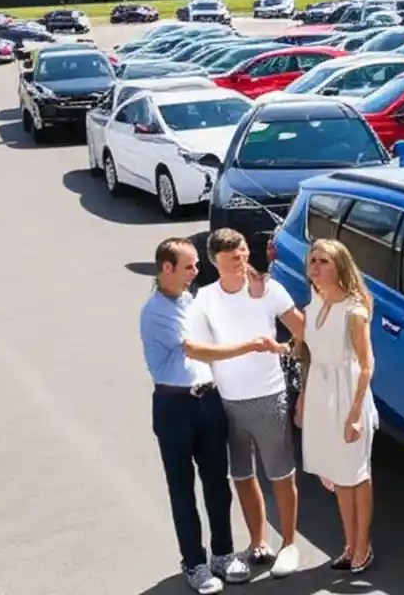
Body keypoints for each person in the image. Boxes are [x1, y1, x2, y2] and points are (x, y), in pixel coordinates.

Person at [139, 237, 281, 593]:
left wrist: (258, 274)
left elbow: (229, 298)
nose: (196, 271)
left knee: (218, 484)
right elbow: (197, 350)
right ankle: (195, 563)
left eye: (196, 265)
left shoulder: (191, 299)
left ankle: (222, 554)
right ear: (166, 268)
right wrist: (249, 346)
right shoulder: (154, 311)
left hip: (208, 402)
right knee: (182, 490)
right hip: (174, 408)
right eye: (188, 266)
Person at [190, 229, 307, 579]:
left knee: (281, 473)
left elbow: (302, 332)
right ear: (216, 262)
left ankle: (289, 542)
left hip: (269, 395)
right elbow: (196, 347)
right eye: (231, 258)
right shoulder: (205, 299)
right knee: (242, 474)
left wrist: (283, 349)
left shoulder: (269, 289)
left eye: (242, 253)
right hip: (226, 401)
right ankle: (259, 542)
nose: (240, 261)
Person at [298, 238, 378, 574]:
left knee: (356, 475)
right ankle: (349, 543)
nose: (315, 266)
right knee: (337, 475)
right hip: (321, 393)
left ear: (340, 266)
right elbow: (308, 353)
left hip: (348, 396)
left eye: (324, 261)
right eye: (313, 260)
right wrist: (303, 395)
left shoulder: (354, 311)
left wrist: (355, 413)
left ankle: (363, 547)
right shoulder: (314, 303)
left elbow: (366, 364)